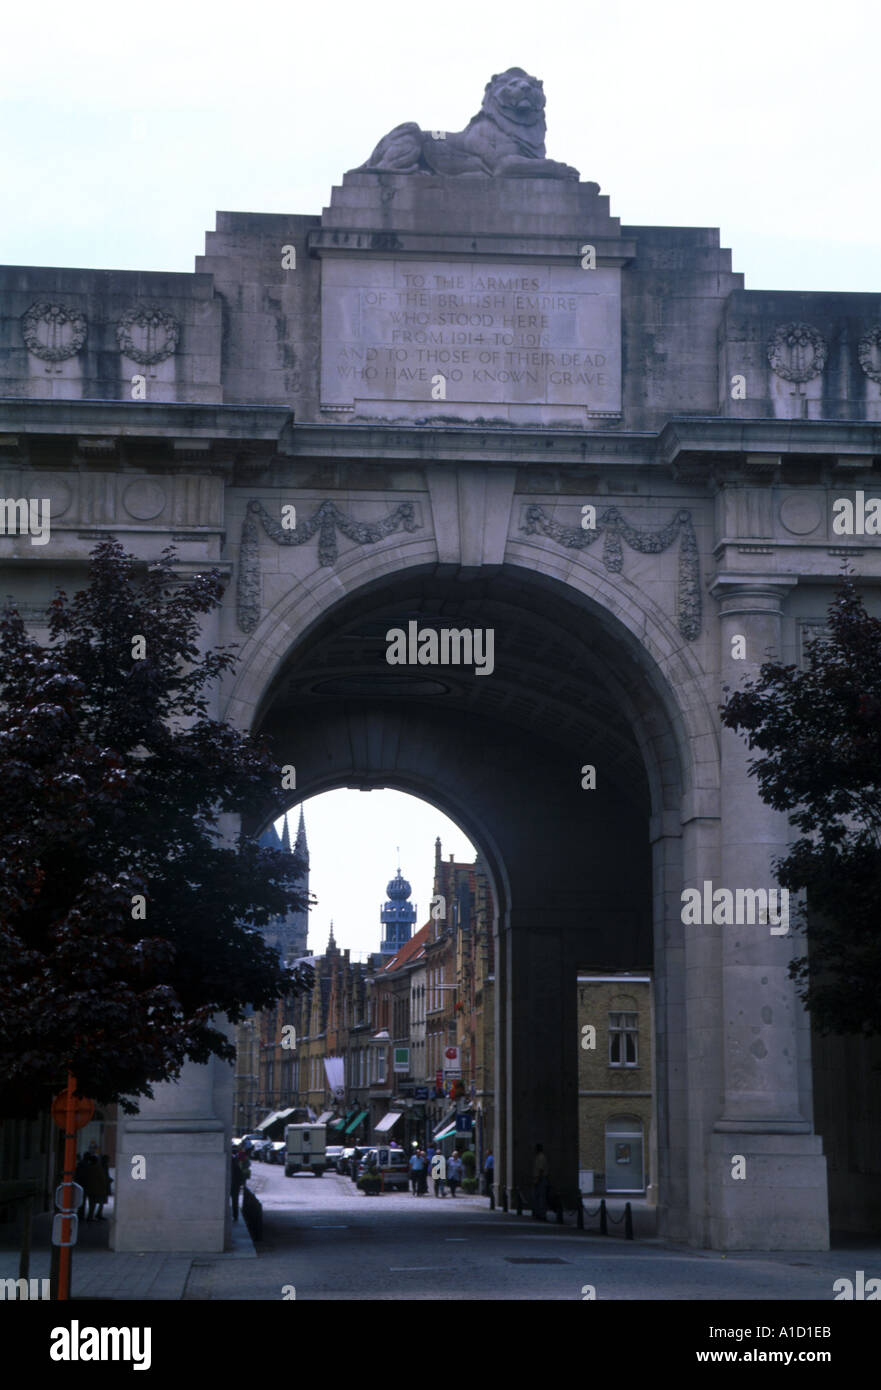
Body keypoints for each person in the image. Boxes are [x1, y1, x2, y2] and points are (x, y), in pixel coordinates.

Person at [532, 1143, 548, 1221]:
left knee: (541, 1197)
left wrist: (537, 1179)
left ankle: (541, 1214)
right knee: (538, 1197)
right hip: (539, 1179)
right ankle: (538, 1213)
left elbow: (541, 1169)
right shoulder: (539, 1157)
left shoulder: (541, 1157)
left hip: (540, 1179)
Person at [230, 1152, 244, 1222]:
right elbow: (241, 1177)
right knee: (235, 1202)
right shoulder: (236, 1166)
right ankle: (235, 1216)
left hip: (232, 1186)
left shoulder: (231, 1167)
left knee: (233, 1202)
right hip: (235, 1186)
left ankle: (234, 1216)